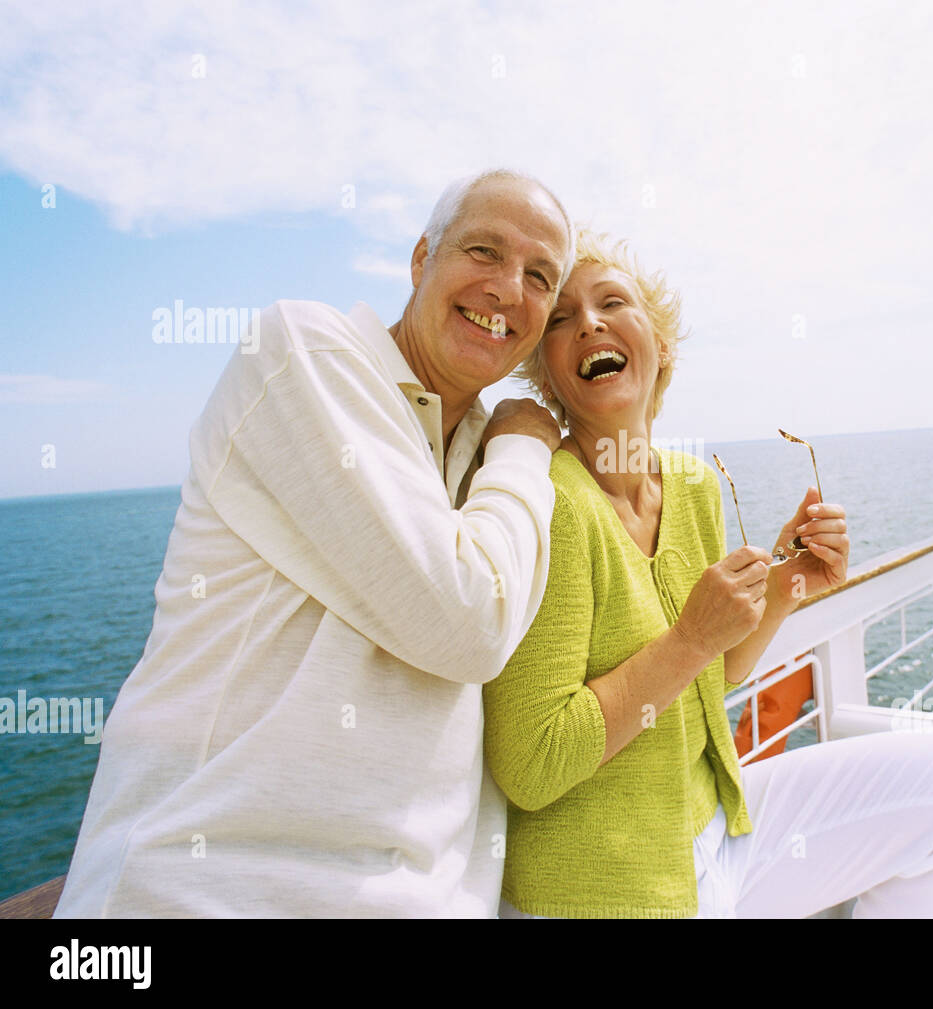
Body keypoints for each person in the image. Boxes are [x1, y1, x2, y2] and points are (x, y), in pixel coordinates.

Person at [54, 169, 574, 917]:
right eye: (485, 250)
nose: (506, 288)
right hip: (199, 894)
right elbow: (472, 622)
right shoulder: (304, 351)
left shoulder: (478, 457)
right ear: (421, 258)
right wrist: (526, 446)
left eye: (538, 276)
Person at [483, 230, 933, 918]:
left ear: (660, 347)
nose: (588, 322)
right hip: (611, 892)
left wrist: (790, 586)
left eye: (613, 301)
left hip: (719, 833)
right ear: (548, 376)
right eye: (560, 318)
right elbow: (532, 764)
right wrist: (689, 640)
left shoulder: (694, 486)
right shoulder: (551, 504)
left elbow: (711, 675)